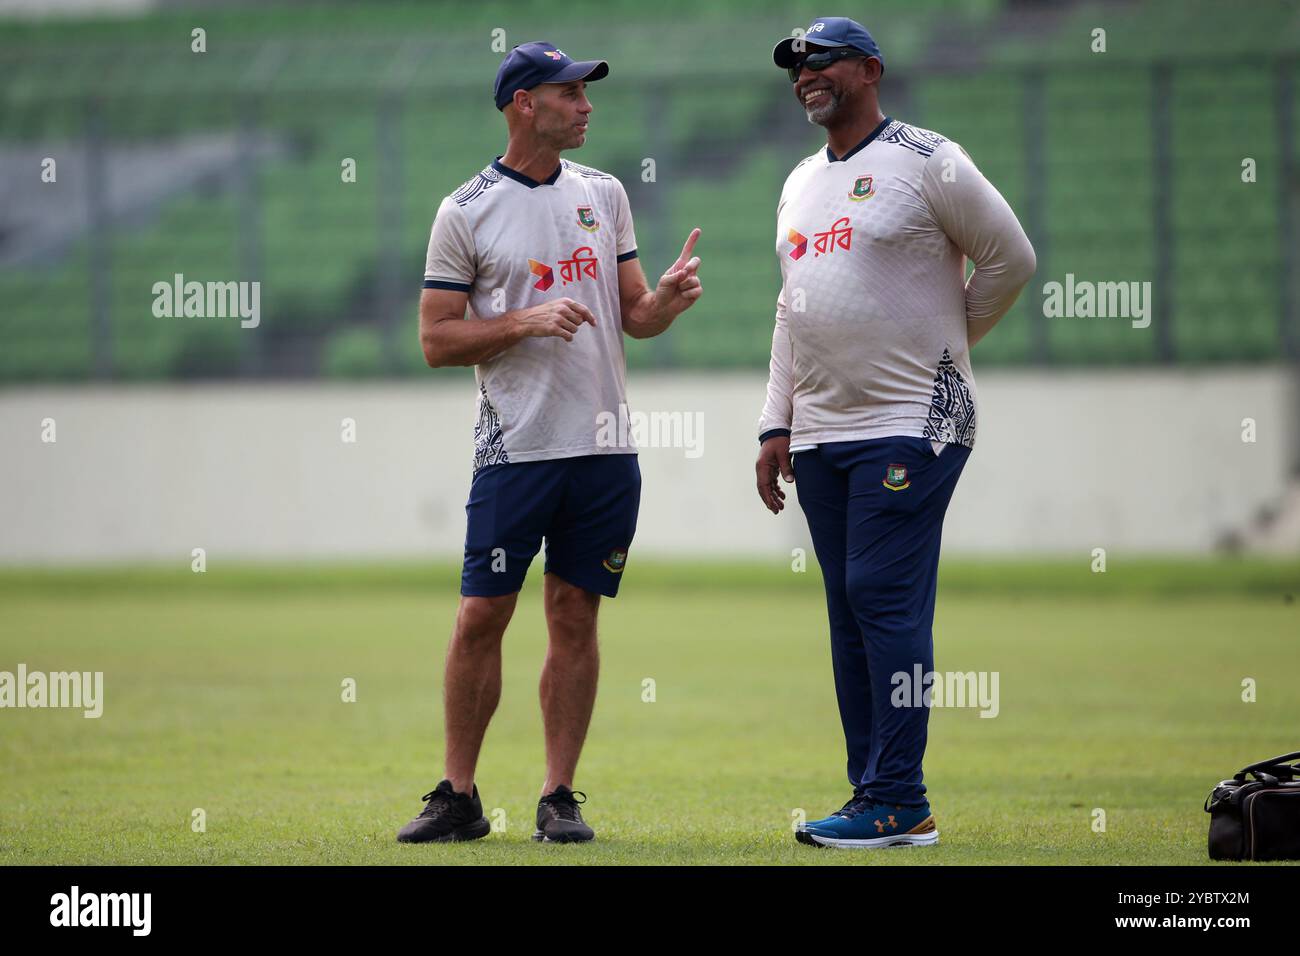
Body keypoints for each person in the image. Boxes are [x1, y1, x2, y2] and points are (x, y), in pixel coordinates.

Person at [397, 41, 703, 844]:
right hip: (515, 452)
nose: (587, 105)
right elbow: (435, 341)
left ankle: (558, 795)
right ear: (523, 103)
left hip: (604, 451)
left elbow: (633, 316)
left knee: (575, 616)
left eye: (587, 93)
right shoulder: (464, 209)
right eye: (571, 93)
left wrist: (664, 303)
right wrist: (524, 320)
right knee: (479, 617)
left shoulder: (606, 193)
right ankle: (457, 795)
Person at [755, 17, 1035, 848]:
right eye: (797, 65)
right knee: (850, 609)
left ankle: (899, 797)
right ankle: (873, 793)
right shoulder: (800, 180)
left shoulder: (928, 159)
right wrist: (777, 420)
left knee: (882, 594)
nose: (806, 73)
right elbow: (789, 307)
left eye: (824, 60)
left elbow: (1011, 258)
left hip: (914, 421)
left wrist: (945, 349)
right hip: (822, 431)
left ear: (870, 69)